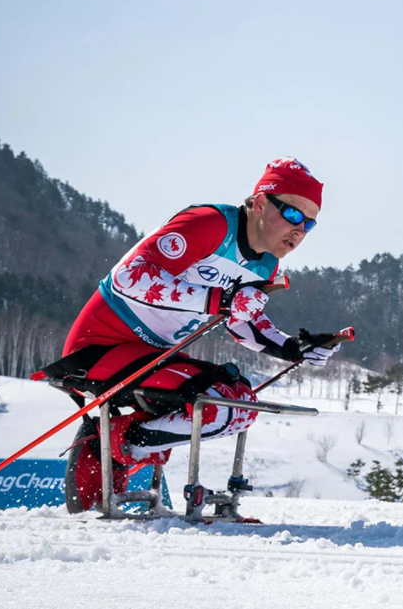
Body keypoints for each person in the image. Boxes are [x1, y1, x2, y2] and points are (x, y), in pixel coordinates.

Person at [42, 157, 341, 512]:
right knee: (214, 401)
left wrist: (295, 347)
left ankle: (125, 443)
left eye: (309, 224)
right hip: (101, 346)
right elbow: (130, 278)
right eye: (293, 215)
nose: (299, 230)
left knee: (239, 403)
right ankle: (114, 442)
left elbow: (242, 322)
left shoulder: (266, 264)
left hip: (153, 356)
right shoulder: (210, 224)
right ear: (260, 202)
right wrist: (221, 298)